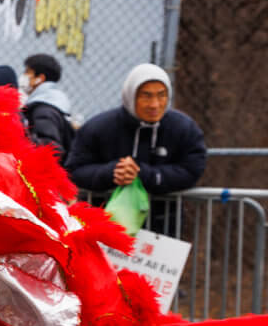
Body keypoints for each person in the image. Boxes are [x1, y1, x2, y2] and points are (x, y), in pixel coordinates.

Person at [65, 63, 207, 236]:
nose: (155, 104)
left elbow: (192, 168)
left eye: (161, 95)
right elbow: (75, 170)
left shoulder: (184, 128)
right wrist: (112, 172)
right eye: (146, 96)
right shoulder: (99, 128)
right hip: (103, 227)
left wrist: (144, 174)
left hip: (161, 229)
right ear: (130, 96)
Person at [20, 53, 75, 161]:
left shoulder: (44, 110)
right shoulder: (50, 104)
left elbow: (51, 148)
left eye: (27, 72)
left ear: (39, 78)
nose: (23, 76)